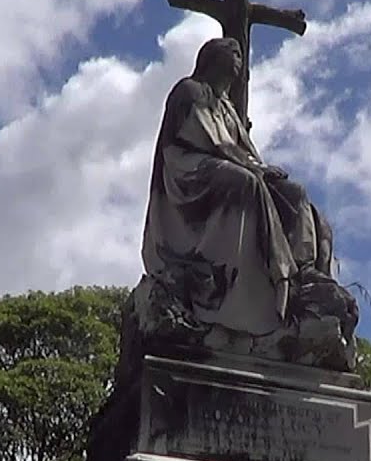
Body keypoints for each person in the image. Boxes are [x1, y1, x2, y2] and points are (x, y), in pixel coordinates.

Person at [142, 37, 338, 337]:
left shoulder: (228, 107)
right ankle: (272, 271)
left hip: (231, 165)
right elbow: (209, 139)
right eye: (231, 52)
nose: (238, 58)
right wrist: (257, 169)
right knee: (244, 182)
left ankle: (303, 270)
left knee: (294, 193)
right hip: (189, 171)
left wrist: (264, 171)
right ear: (211, 58)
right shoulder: (190, 90)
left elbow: (244, 149)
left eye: (240, 54)